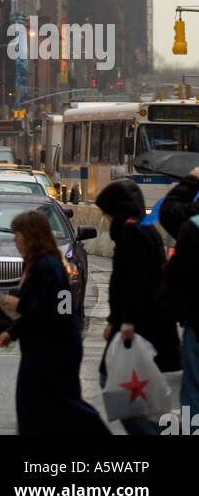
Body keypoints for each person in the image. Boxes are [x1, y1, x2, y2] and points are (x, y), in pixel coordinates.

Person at [0, 209, 109, 436]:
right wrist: (13, 332)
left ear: (31, 236)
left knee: (62, 405)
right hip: (44, 346)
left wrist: (18, 305)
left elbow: (57, 310)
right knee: (42, 407)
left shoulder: (48, 266)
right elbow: (35, 310)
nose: (14, 239)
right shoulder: (35, 264)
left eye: (17, 234)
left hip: (54, 349)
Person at [96, 179, 180, 435]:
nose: (105, 218)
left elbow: (133, 282)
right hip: (151, 324)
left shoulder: (129, 234)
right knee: (135, 390)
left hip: (138, 326)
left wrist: (125, 322)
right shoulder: (146, 230)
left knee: (115, 382)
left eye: (106, 212)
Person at [159, 166, 199, 421]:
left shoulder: (193, 227)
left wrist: (192, 180)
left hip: (197, 321)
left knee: (194, 391)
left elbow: (169, 210)